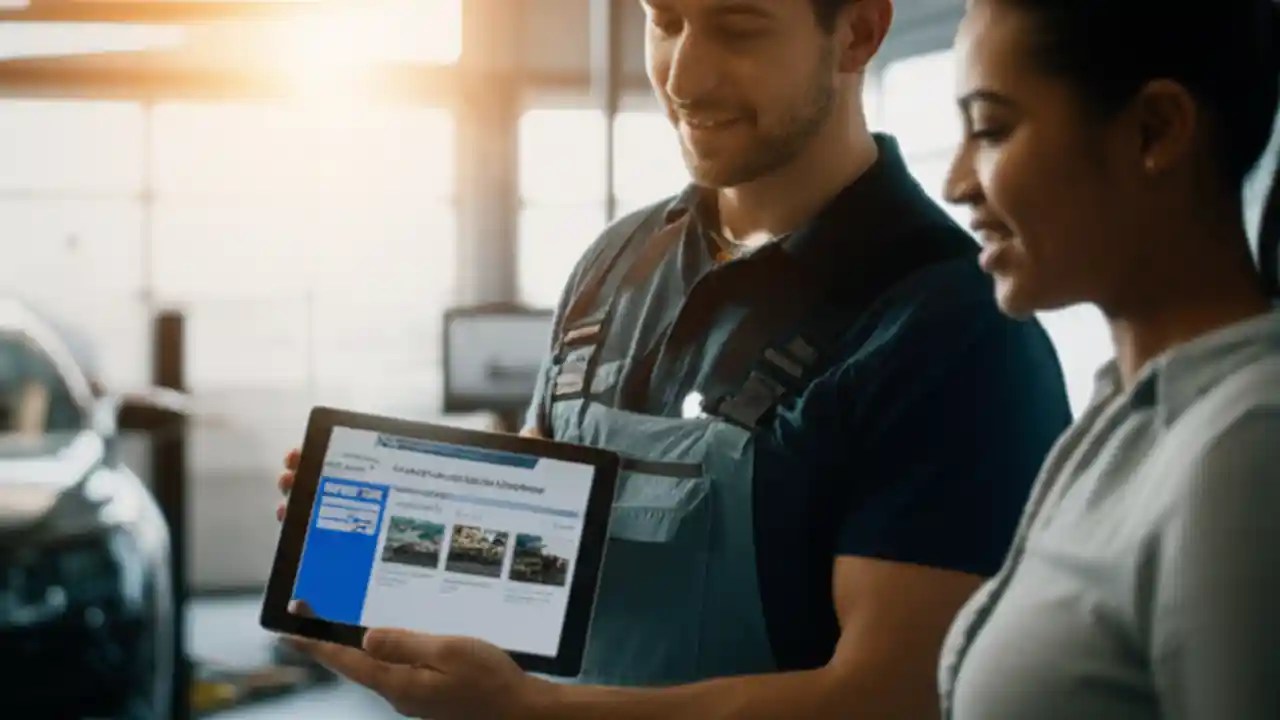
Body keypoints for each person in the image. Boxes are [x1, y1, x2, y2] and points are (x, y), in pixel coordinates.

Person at [275, 0, 1071, 718]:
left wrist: (529, 716)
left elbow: (891, 698)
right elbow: (540, 555)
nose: (683, 76)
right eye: (665, 21)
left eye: (737, 28)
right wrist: (405, 512)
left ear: (857, 32)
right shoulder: (613, 264)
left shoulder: (956, 330)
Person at [937, 0, 1280, 718]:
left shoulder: (1248, 447)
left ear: (1155, 130)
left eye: (992, 130)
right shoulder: (1125, 412)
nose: (958, 183)